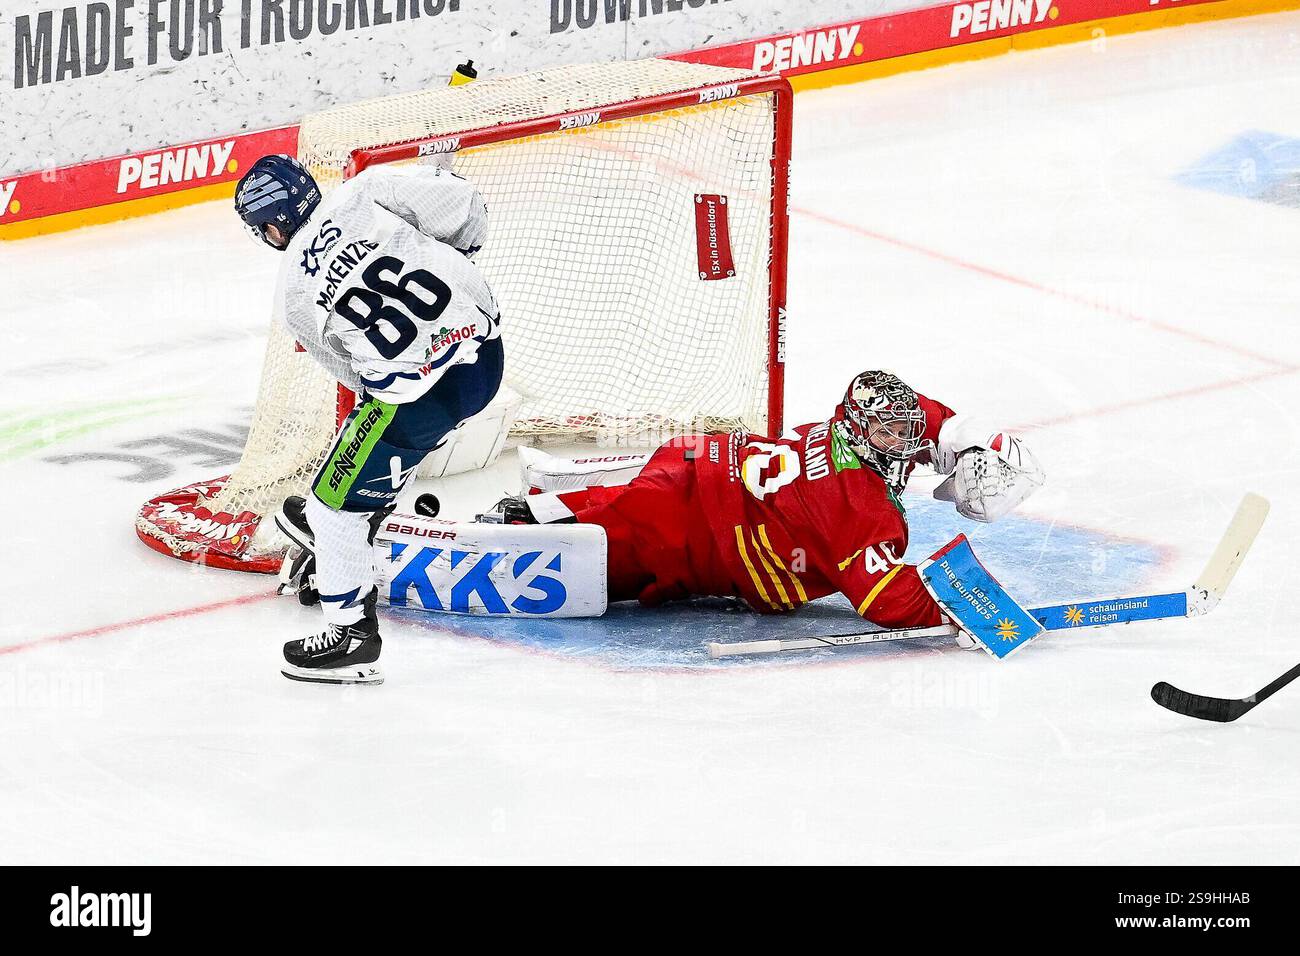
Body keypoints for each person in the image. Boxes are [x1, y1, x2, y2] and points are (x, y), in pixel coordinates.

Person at [485, 370, 1044, 637]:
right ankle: (503, 541)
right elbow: (883, 599)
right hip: (689, 542)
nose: (902, 441)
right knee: (591, 563)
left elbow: (922, 414)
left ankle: (534, 506)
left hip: (696, 465)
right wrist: (956, 604)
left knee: (613, 509)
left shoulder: (856, 431)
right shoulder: (858, 505)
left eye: (904, 429)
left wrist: (970, 442)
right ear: (858, 427)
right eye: (887, 433)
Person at [234, 154, 501, 684]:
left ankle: (350, 635)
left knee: (331, 505)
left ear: (271, 225)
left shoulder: (292, 294)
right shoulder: (364, 189)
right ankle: (355, 526)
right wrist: (451, 259)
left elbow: (357, 379)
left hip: (414, 397)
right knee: (364, 461)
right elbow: (465, 208)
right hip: (484, 362)